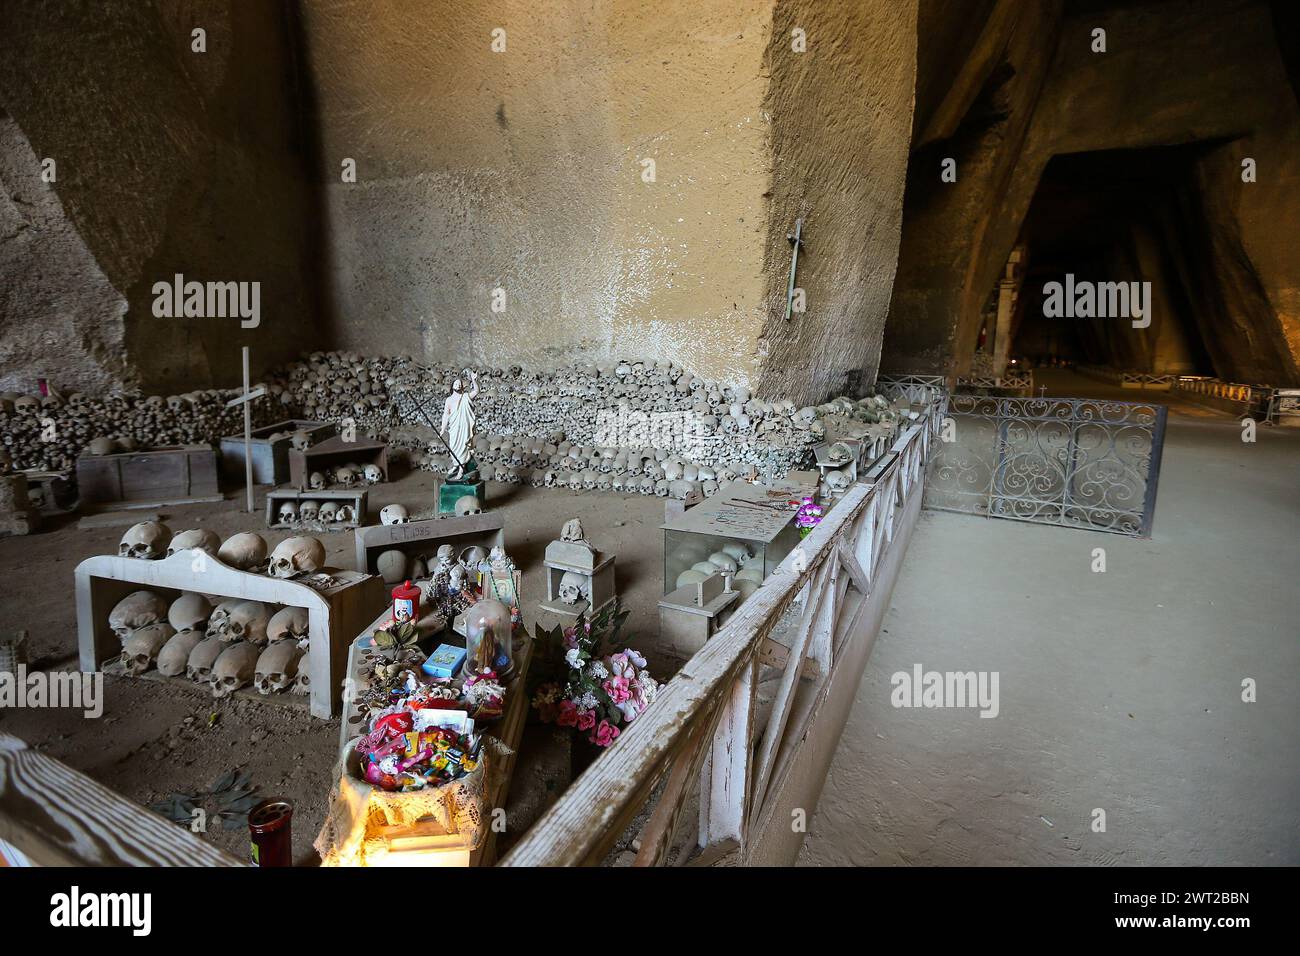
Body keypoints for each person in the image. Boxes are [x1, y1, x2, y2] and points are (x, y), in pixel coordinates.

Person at [440, 369, 478, 480]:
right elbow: (446, 415)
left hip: (464, 426)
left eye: (460, 384)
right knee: (453, 446)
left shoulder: (465, 397)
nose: (458, 385)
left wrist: (474, 380)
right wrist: (443, 429)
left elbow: (476, 391)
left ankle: (461, 469)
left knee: (463, 447)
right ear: (452, 386)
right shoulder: (449, 400)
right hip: (454, 427)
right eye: (456, 383)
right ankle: (456, 465)